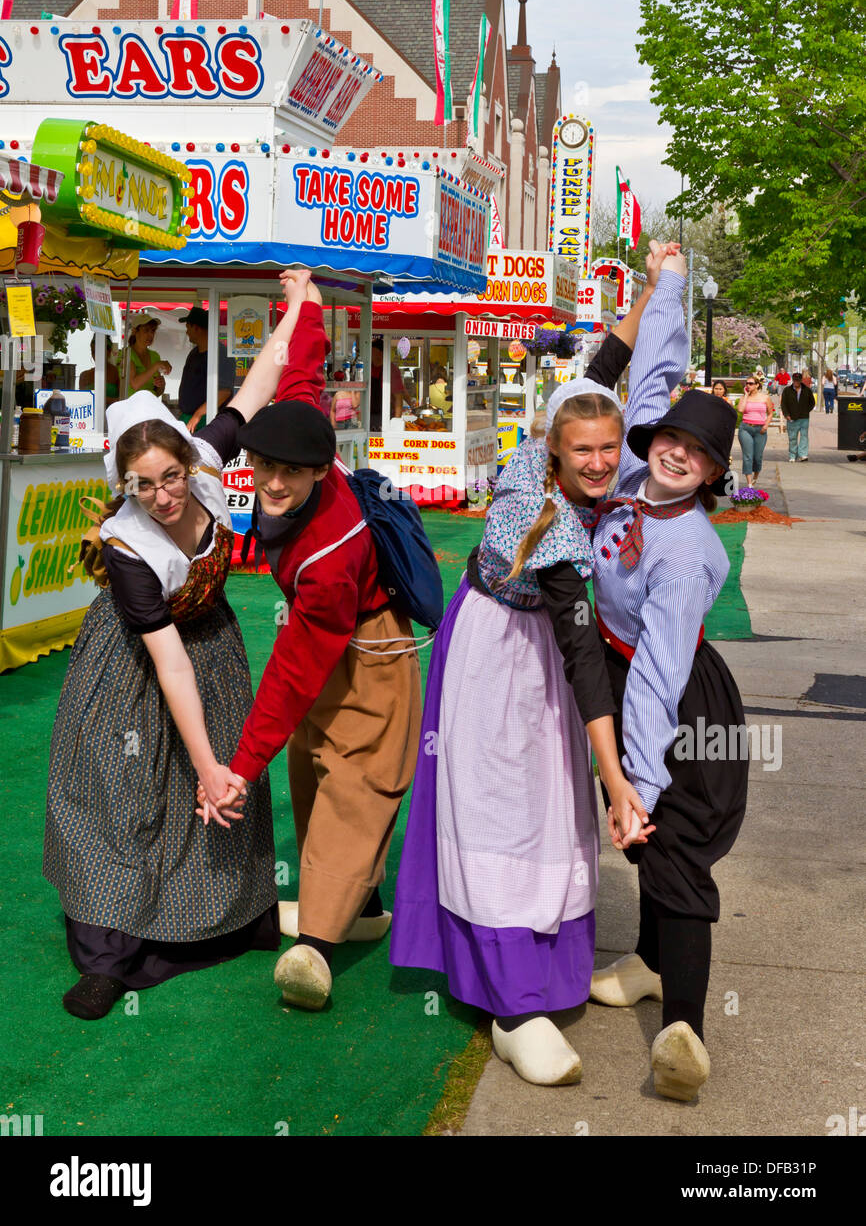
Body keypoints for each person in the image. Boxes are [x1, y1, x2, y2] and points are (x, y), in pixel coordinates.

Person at [389, 246, 682, 1087]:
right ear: (555, 453)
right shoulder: (549, 526)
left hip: (528, 653)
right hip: (498, 662)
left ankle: (546, 968)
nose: (599, 464)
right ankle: (514, 1002)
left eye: (606, 449)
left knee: (545, 810)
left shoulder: (546, 438)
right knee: (500, 810)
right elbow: (583, 653)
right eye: (583, 452)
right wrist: (617, 776)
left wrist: (652, 294)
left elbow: (599, 367)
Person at [42, 299, 305, 1021]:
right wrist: (206, 767)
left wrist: (298, 305)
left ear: (188, 460)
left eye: (170, 476)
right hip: (132, 666)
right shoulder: (130, 549)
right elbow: (168, 666)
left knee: (222, 784)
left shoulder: (209, 469)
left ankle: (235, 915)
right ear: (121, 485)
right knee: (118, 797)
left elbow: (255, 388)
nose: (161, 495)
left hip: (211, 646)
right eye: (141, 485)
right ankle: (108, 959)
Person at [204, 271, 422, 1015]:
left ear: (322, 469)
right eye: (262, 465)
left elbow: (294, 673)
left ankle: (317, 951)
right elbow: (304, 369)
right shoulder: (298, 424)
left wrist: (239, 766)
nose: (270, 481)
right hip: (331, 639)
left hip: (371, 651)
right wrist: (306, 303)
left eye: (290, 473)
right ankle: (365, 911)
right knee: (312, 770)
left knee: (353, 788)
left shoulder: (330, 556)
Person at [588, 258, 749, 1103]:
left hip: (680, 695)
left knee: (670, 839)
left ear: (715, 475)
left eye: (700, 454)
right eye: (672, 441)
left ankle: (683, 1031)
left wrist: (636, 784)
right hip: (620, 666)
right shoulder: (626, 474)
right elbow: (653, 368)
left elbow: (657, 678)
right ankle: (648, 962)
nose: (680, 455)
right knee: (648, 840)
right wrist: (671, 280)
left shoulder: (685, 552)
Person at [178, 306, 237, 432]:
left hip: (208, 420)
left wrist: (198, 415)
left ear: (196, 328)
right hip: (189, 419)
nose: (186, 331)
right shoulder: (194, 353)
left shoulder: (220, 354)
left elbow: (224, 392)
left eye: (188, 327)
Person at [120, 310, 171, 398]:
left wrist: (161, 385)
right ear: (135, 331)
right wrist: (156, 365)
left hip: (150, 406)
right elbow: (135, 384)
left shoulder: (155, 356)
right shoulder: (126, 353)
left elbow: (157, 392)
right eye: (146, 330)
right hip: (132, 407)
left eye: (153, 331)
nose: (150, 335)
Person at [736, 376, 774, 486]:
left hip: (760, 429)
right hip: (746, 428)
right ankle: (749, 483)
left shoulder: (765, 397)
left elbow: (770, 413)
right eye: (747, 383)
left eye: (751, 383)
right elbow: (740, 410)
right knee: (748, 456)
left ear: (757, 385)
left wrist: (766, 426)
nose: (748, 385)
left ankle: (755, 477)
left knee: (757, 457)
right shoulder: (744, 397)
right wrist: (746, 395)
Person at [368, 337, 405, 431]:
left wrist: (396, 423)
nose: (372, 355)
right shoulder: (368, 368)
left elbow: (398, 398)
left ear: (381, 353)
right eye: (372, 353)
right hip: (368, 415)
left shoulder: (391, 370)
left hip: (385, 416)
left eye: (374, 353)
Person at [780, 371, 816, 462]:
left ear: (801, 380)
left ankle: (803, 454)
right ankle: (793, 455)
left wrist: (806, 410)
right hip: (791, 418)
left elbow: (812, 402)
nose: (796, 382)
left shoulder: (807, 390)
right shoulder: (787, 390)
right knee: (792, 437)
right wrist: (786, 414)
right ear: (792, 380)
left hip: (804, 418)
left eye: (798, 380)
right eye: (795, 380)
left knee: (804, 436)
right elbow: (783, 404)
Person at [79, 336, 121, 407]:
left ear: (109, 351)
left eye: (99, 351)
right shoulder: (84, 375)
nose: (95, 355)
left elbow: (122, 400)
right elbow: (81, 400)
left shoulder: (116, 372)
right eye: (93, 352)